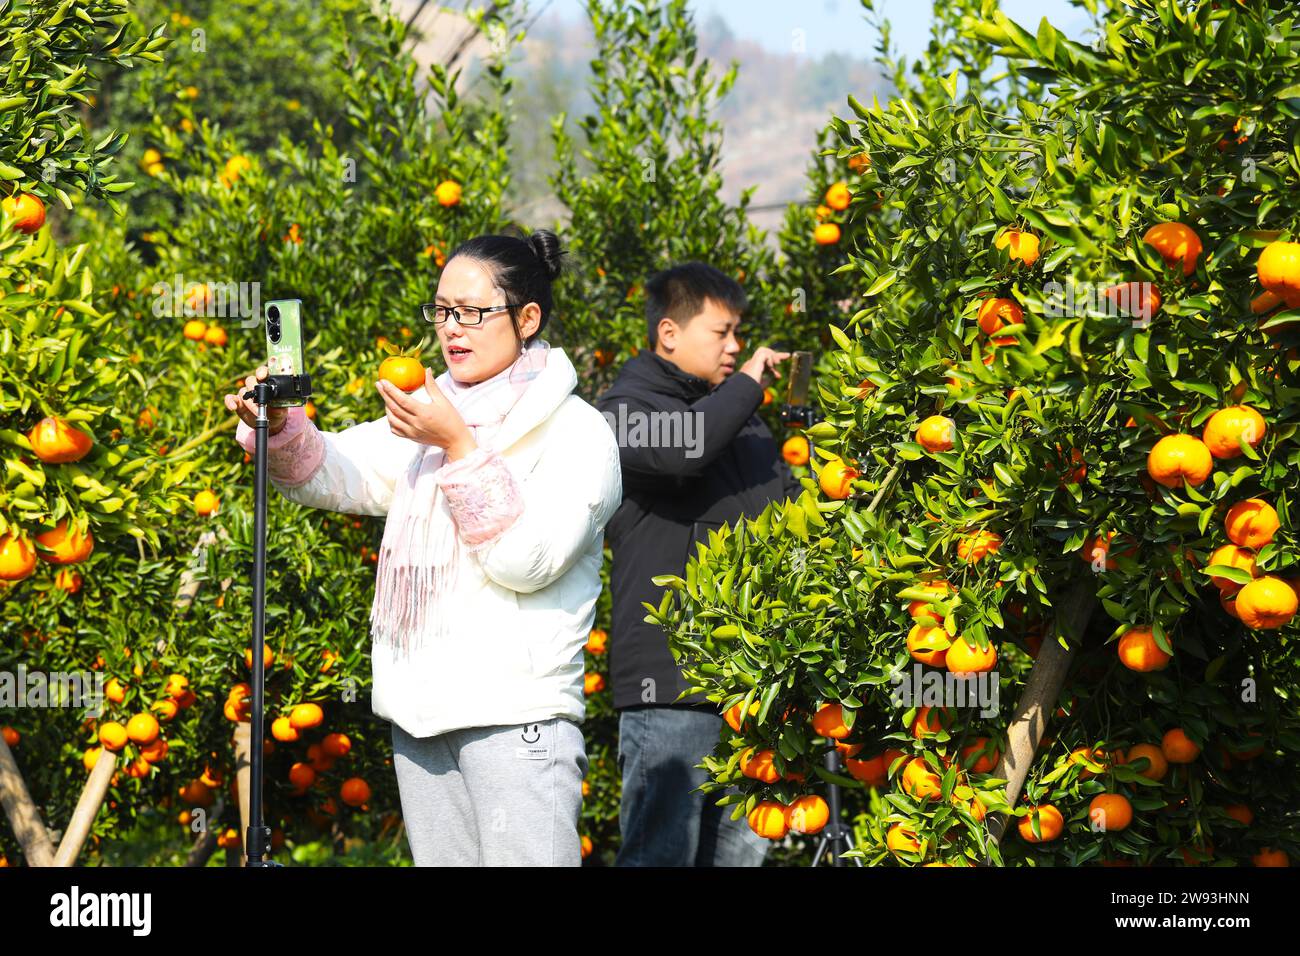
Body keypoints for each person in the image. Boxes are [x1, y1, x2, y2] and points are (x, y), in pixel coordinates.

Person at [223, 230, 622, 866]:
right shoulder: (429, 416)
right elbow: (336, 472)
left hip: (515, 717)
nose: (451, 329)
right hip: (419, 713)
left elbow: (528, 561)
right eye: (441, 311)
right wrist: (277, 426)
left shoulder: (578, 432)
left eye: (471, 312)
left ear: (527, 319)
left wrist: (459, 447)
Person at [594, 262, 799, 867]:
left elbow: (790, 512)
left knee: (739, 857)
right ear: (669, 333)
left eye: (738, 332)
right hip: (671, 684)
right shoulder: (622, 409)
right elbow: (684, 450)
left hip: (752, 684)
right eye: (721, 332)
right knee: (661, 855)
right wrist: (749, 386)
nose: (735, 346)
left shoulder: (743, 420)